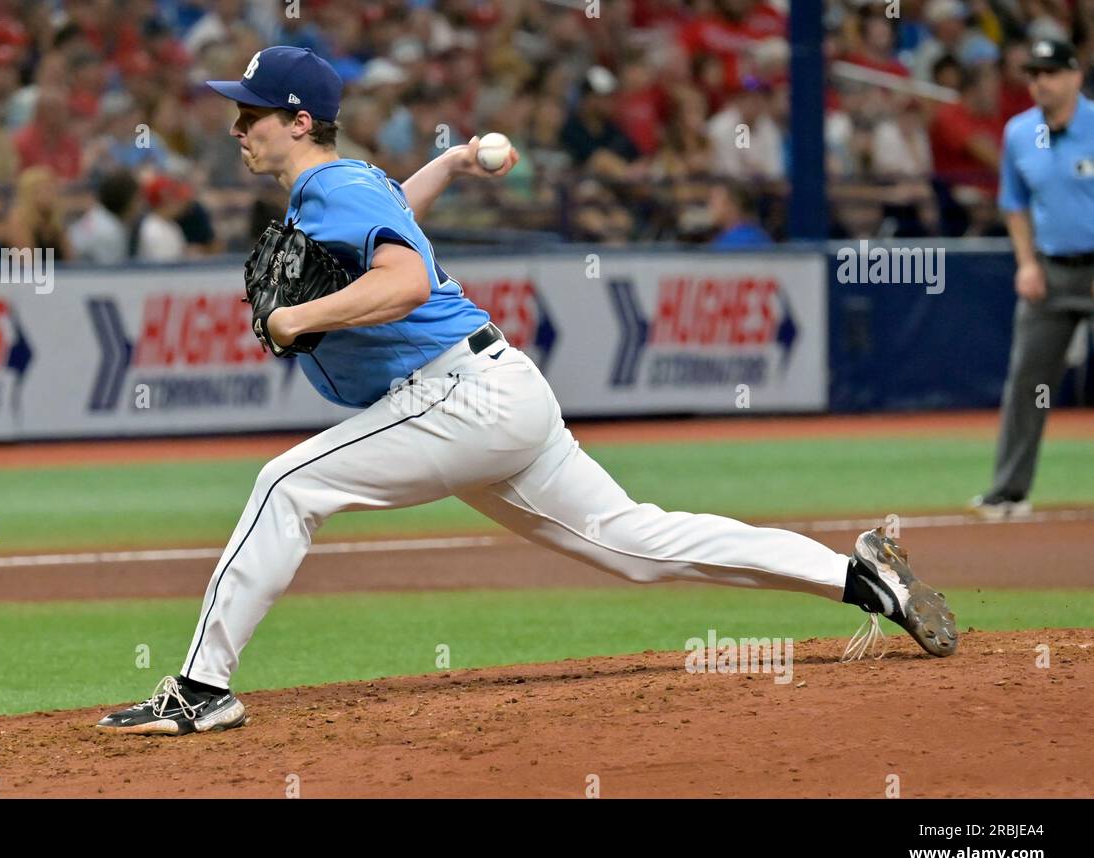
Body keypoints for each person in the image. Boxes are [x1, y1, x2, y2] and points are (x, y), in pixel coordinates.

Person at [98, 46, 959, 737]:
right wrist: (454, 161)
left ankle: (203, 689)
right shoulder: (346, 185)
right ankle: (861, 580)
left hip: (459, 396)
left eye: (249, 113)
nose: (235, 126)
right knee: (635, 543)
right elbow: (397, 208)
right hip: (491, 394)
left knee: (285, 486)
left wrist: (297, 321)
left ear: (297, 121)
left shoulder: (332, 185)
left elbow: (400, 281)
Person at [972, 40, 1094, 520]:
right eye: (1033, 73)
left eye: (1051, 71)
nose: (1040, 81)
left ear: (1075, 77)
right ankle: (1009, 492)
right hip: (1052, 270)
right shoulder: (1019, 133)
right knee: (1027, 381)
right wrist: (1026, 263)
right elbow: (1014, 203)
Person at [707, 178, 771, 248]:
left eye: (714, 200)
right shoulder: (758, 234)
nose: (710, 206)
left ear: (732, 205)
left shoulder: (744, 240)